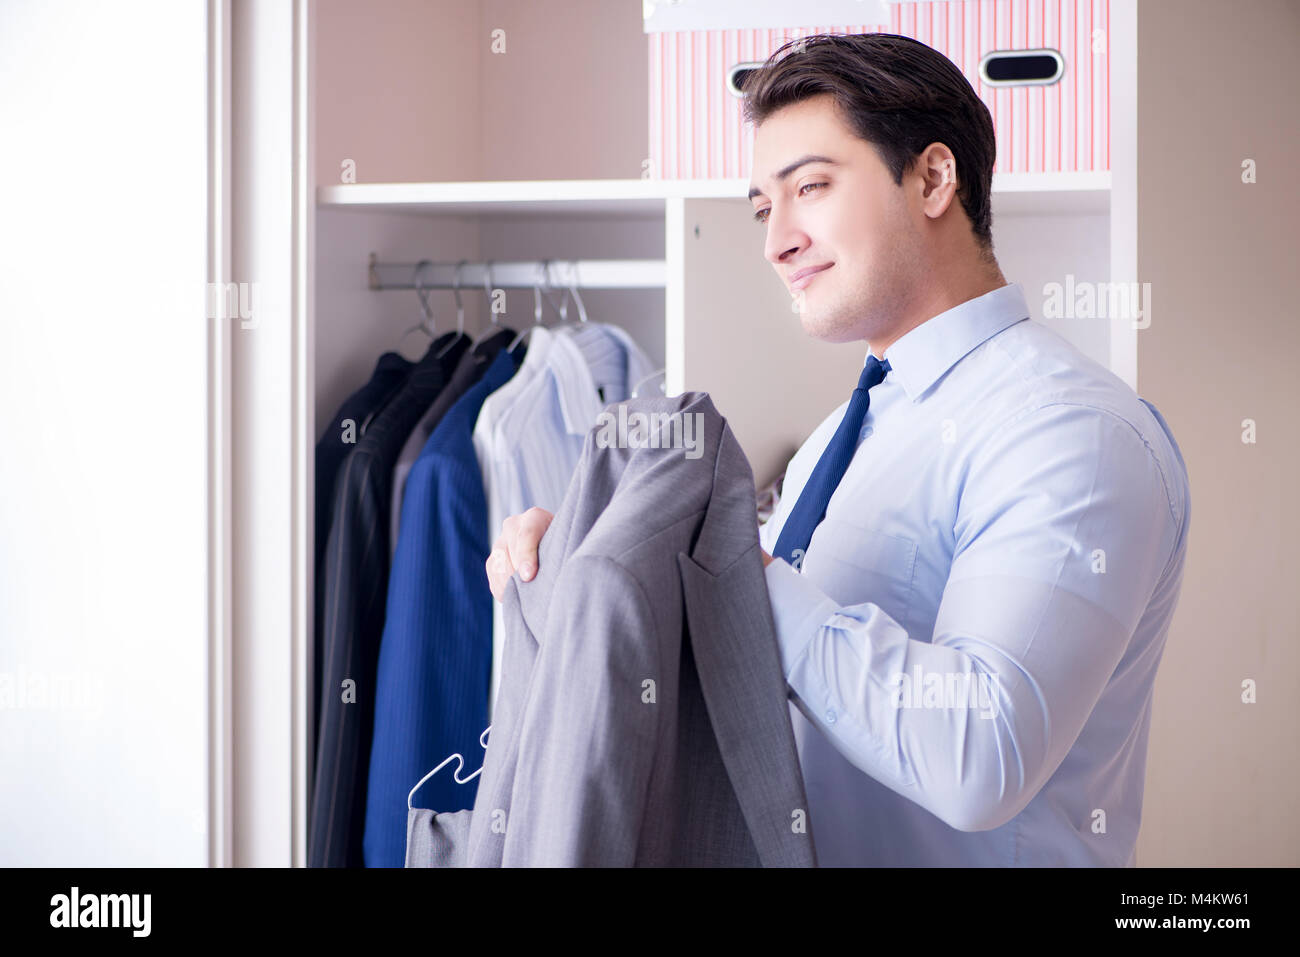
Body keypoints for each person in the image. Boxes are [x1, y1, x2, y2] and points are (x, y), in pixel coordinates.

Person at [485, 34, 1190, 866]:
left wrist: (728, 571)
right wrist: (594, 563)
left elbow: (980, 758)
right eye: (761, 208)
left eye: (810, 187)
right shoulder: (837, 437)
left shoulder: (1071, 433)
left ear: (933, 178)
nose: (775, 241)